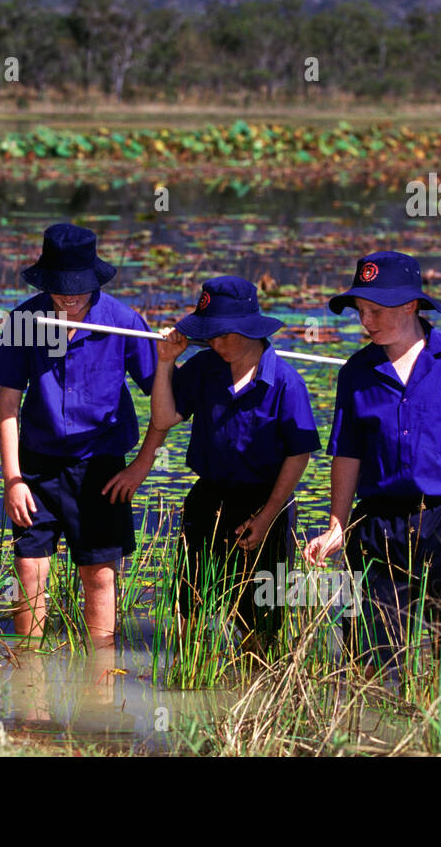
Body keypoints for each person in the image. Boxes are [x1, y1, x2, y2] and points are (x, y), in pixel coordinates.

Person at [303, 251, 441, 683]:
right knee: (371, 659)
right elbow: (347, 452)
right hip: (376, 527)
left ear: (410, 305)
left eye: (375, 311)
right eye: (360, 311)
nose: (364, 321)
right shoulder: (355, 372)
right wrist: (337, 524)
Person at [0, 223, 164, 649]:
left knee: (99, 573)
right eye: (60, 288)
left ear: (95, 279)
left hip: (101, 468)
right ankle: (28, 674)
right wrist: (13, 480)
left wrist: (140, 466)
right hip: (36, 466)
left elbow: (165, 403)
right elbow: (8, 405)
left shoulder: (125, 323)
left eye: (78, 288)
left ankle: (100, 680)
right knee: (29, 568)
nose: (69, 296)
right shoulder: (25, 320)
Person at [144, 277, 320, 659]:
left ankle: (254, 694)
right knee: (189, 611)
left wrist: (268, 514)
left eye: (221, 335)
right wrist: (165, 364)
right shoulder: (203, 368)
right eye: (208, 335)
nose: (215, 343)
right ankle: (190, 680)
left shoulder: (286, 383)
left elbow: (298, 455)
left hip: (266, 505)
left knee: (261, 622)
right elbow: (163, 417)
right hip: (208, 500)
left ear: (249, 329)